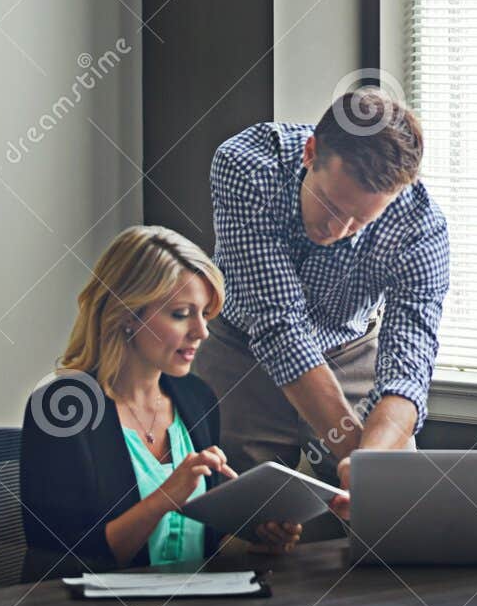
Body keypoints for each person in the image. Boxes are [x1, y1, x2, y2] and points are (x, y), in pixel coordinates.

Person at [196, 91, 449, 501]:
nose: (338, 229)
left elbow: (408, 364)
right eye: (330, 205)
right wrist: (355, 455)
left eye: (360, 221)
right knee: (237, 513)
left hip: (350, 349)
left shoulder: (421, 227)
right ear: (311, 152)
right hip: (240, 350)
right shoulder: (246, 166)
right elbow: (279, 327)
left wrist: (372, 465)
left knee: (394, 508)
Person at [21, 226, 304, 572]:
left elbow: (202, 545)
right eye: (181, 314)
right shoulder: (63, 406)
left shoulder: (197, 398)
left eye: (204, 314)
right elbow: (62, 557)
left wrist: (256, 539)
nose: (201, 332)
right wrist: (165, 498)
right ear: (128, 314)